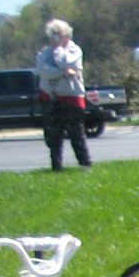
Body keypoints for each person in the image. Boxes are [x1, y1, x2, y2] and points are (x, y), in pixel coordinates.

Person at [34, 19, 91, 172]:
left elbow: (67, 62)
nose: (55, 38)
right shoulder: (44, 53)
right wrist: (62, 73)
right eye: (53, 35)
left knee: (76, 134)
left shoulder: (75, 50)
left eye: (59, 34)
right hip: (51, 98)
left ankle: (85, 165)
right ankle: (56, 167)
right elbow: (43, 71)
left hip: (71, 98)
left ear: (67, 35)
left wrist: (59, 49)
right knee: (53, 137)